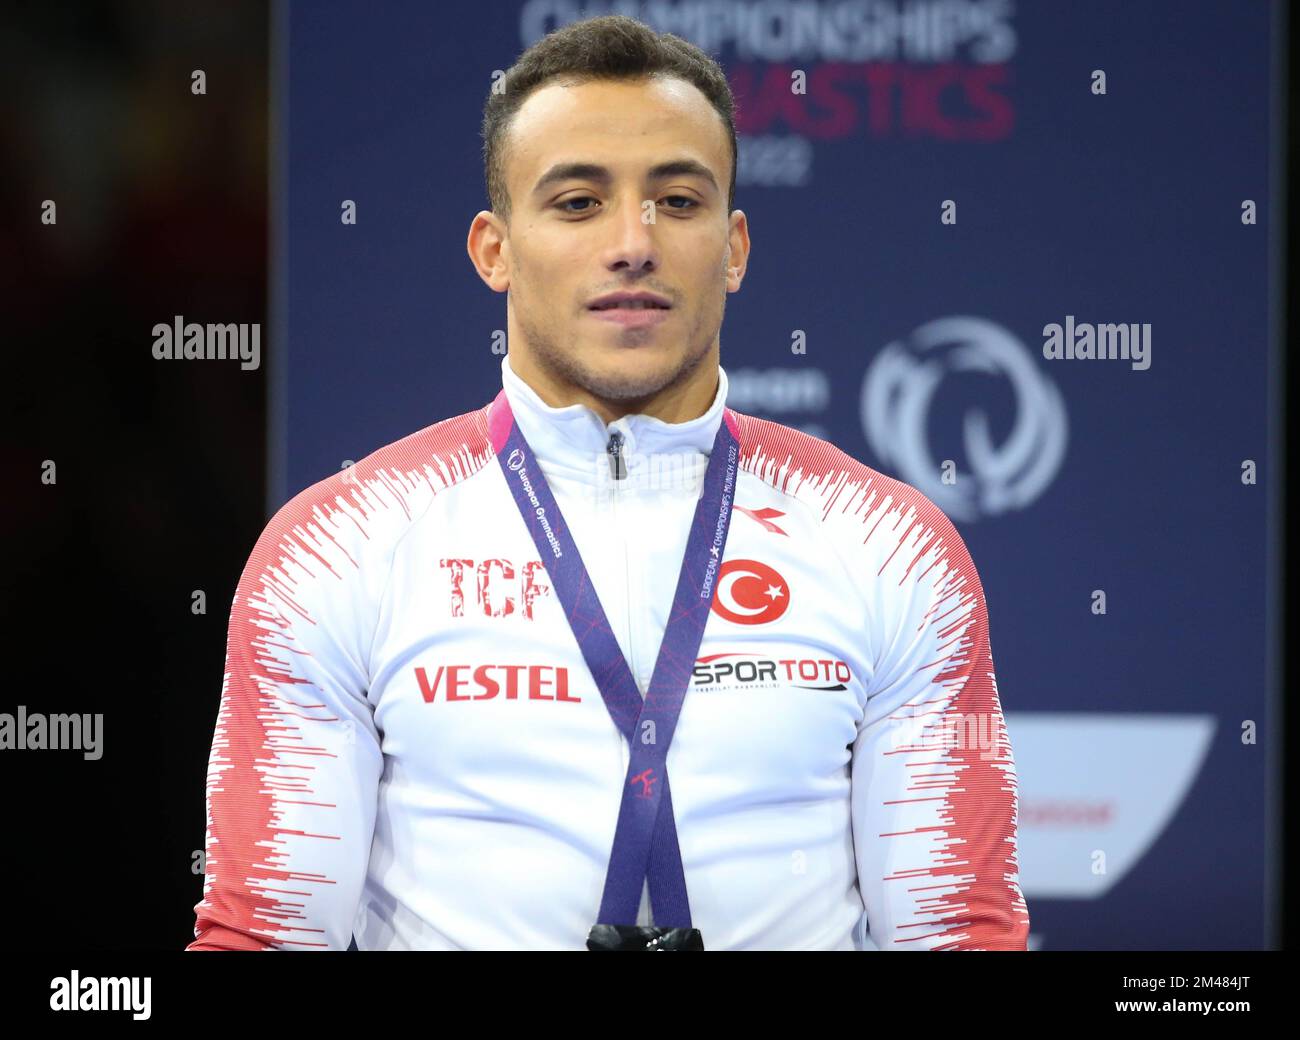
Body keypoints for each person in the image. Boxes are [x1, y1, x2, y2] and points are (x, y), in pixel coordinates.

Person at [187, 13, 1029, 951]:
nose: (634, 242)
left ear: (736, 245)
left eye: (677, 199)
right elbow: (262, 937)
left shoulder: (891, 546)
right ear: (493, 249)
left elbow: (961, 934)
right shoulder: (334, 549)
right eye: (579, 202)